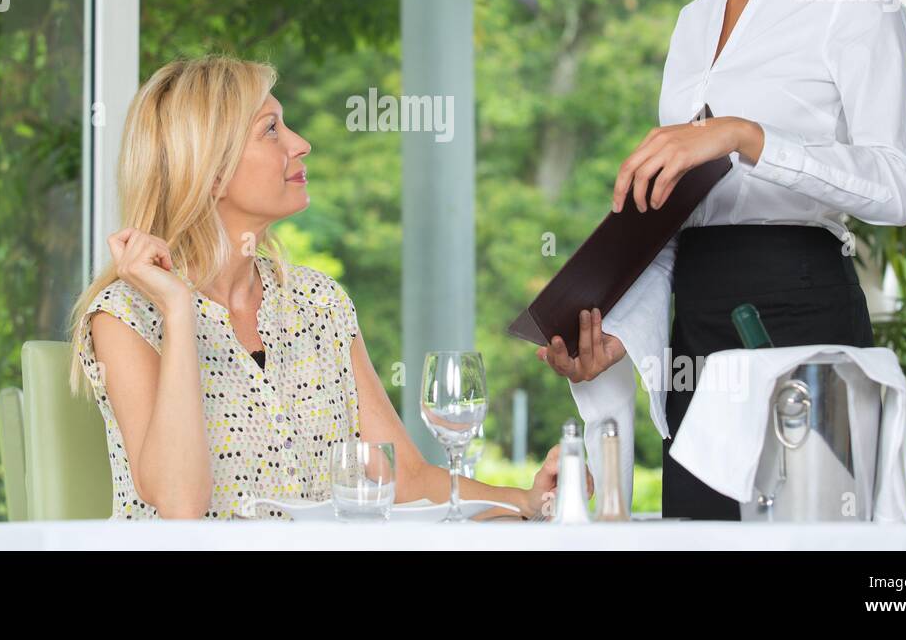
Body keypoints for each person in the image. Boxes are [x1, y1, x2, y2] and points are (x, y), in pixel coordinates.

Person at [537, 0, 906, 520]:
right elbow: (683, 216)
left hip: (800, 315)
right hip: (698, 325)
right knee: (698, 537)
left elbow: (898, 187)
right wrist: (619, 334)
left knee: (805, 543)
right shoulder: (692, 24)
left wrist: (747, 137)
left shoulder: (855, 3)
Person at [68, 54, 573, 520]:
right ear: (212, 172)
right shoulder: (126, 315)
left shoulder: (318, 303)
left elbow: (402, 479)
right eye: (271, 129)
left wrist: (525, 501)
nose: (300, 143)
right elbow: (180, 505)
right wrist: (178, 310)